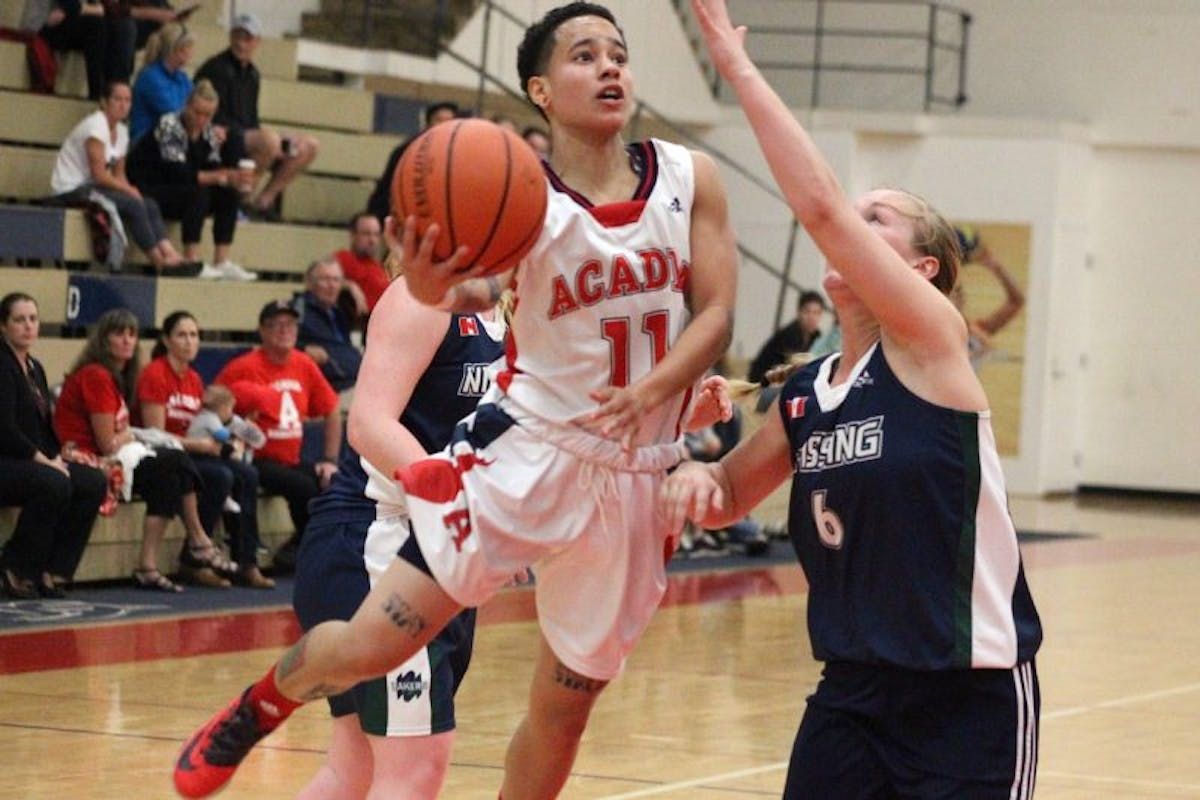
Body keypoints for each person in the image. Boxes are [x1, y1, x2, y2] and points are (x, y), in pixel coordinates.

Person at [172, 4, 738, 797]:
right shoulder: (522, 198)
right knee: (371, 644)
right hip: (532, 451)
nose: (610, 67)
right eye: (585, 56)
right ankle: (262, 702)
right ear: (540, 90)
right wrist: (429, 281)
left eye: (618, 53)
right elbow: (465, 285)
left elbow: (715, 316)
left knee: (564, 713)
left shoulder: (690, 177)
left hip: (636, 475)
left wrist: (660, 390)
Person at [660, 2, 1043, 797]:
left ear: (924, 269)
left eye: (880, 222)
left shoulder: (933, 343)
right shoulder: (805, 394)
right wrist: (689, 477)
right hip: (851, 693)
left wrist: (737, 69)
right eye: (859, 218)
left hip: (964, 695)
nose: (852, 231)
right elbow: (729, 493)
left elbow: (822, 208)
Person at [291, 240, 506, 799]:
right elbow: (368, 424)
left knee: (354, 769)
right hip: (374, 542)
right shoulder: (420, 300)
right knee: (413, 770)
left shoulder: (512, 312)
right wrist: (455, 501)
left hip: (436, 555)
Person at [53, 308, 238, 592]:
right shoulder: (96, 375)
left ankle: (148, 566)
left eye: (132, 334)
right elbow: (108, 443)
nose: (127, 340)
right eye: (119, 334)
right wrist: (128, 434)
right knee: (174, 459)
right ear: (103, 340)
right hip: (85, 456)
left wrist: (126, 435)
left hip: (111, 456)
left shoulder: (120, 376)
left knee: (170, 476)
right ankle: (199, 537)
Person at [137, 311, 273, 588]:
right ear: (166, 340)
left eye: (194, 335)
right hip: (166, 455)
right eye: (182, 335)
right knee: (219, 476)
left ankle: (246, 562)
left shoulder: (194, 379)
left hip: (194, 451)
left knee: (247, 473)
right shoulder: (155, 373)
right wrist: (199, 444)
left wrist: (231, 435)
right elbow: (156, 436)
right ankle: (194, 558)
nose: (189, 342)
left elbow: (206, 423)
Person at [214, 300, 342, 574]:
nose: (285, 331)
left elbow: (331, 410)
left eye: (291, 324)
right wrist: (240, 431)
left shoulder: (304, 364)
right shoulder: (243, 367)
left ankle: (303, 548)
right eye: (277, 325)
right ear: (262, 331)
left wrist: (329, 459)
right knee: (303, 486)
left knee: (330, 482)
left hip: (291, 457)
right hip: (256, 456)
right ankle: (303, 551)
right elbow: (213, 406)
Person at [0, 292, 107, 598]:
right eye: (19, 320)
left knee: (91, 481)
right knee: (53, 482)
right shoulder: (2, 365)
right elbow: (4, 429)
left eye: (33, 319)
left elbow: (44, 427)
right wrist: (44, 461)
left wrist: (61, 454)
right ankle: (15, 567)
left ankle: (54, 569)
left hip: (29, 461)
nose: (28, 326)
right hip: (7, 460)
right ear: (3, 326)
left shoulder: (35, 367)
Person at [51, 79, 188, 274]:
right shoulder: (95, 127)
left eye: (127, 100)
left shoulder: (122, 131)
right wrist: (129, 191)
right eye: (117, 99)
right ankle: (158, 261)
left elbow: (119, 174)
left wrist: (132, 191)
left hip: (94, 187)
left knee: (148, 203)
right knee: (133, 203)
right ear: (105, 102)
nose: (123, 105)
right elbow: (99, 175)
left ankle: (169, 252)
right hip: (72, 188)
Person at [127, 80, 258, 281]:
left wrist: (233, 180)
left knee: (227, 193)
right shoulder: (169, 124)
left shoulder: (209, 132)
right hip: (150, 186)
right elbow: (179, 173)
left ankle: (221, 260)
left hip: (179, 189)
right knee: (198, 192)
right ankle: (191, 258)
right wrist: (222, 175)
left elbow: (213, 168)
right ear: (187, 106)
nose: (201, 119)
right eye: (197, 112)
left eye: (207, 115)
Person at [194, 12, 320, 219]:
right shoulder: (216, 68)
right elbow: (211, 116)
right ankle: (241, 200)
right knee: (269, 140)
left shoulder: (253, 74)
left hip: (245, 134)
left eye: (247, 38)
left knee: (308, 146)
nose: (241, 44)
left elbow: (252, 117)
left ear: (257, 42)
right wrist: (266, 139)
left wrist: (281, 141)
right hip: (224, 135)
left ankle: (263, 201)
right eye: (237, 37)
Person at [365, 100, 459, 225]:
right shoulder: (406, 151)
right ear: (428, 125)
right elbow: (385, 191)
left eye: (449, 121)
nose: (444, 125)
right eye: (439, 120)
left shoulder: (458, 156)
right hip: (409, 219)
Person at [21, 0, 137, 100]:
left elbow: (111, 9)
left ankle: (118, 92)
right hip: (41, 26)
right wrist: (95, 9)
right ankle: (97, 96)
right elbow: (70, 6)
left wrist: (93, 9)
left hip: (68, 22)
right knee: (96, 25)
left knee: (124, 27)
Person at [952, 226, 1026, 371]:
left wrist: (995, 266)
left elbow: (1016, 302)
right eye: (951, 293)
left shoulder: (976, 333)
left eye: (959, 292)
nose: (958, 297)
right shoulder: (927, 332)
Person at [293, 258, 362, 392]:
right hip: (330, 388)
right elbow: (265, 339)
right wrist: (303, 349)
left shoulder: (338, 312)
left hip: (355, 383)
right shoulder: (297, 309)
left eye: (336, 280)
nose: (332, 286)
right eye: (325, 279)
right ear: (309, 283)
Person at [746, 288, 827, 385]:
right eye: (807, 311)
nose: (811, 317)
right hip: (764, 381)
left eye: (816, 313)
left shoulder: (817, 336)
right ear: (799, 312)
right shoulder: (789, 334)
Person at [129, 22, 194, 141]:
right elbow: (174, 113)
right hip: (147, 141)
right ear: (172, 49)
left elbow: (194, 104)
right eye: (186, 48)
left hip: (172, 138)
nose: (190, 53)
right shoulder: (150, 77)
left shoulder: (182, 78)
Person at [333, 212, 390, 319]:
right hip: (360, 323)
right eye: (366, 234)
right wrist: (349, 285)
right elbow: (319, 281)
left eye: (376, 234)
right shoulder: (343, 258)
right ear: (353, 235)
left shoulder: (379, 268)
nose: (372, 240)